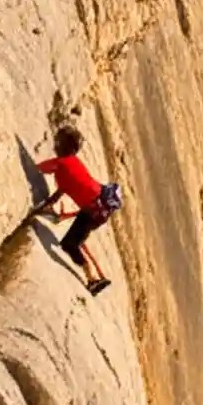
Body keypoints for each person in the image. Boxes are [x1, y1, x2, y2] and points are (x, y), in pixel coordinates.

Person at [34, 126, 122, 296]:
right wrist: (50, 204)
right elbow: (65, 187)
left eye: (57, 141)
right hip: (99, 207)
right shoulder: (73, 162)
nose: (55, 145)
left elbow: (38, 169)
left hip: (92, 212)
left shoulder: (60, 163)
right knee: (78, 238)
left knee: (70, 244)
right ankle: (95, 273)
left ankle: (94, 279)